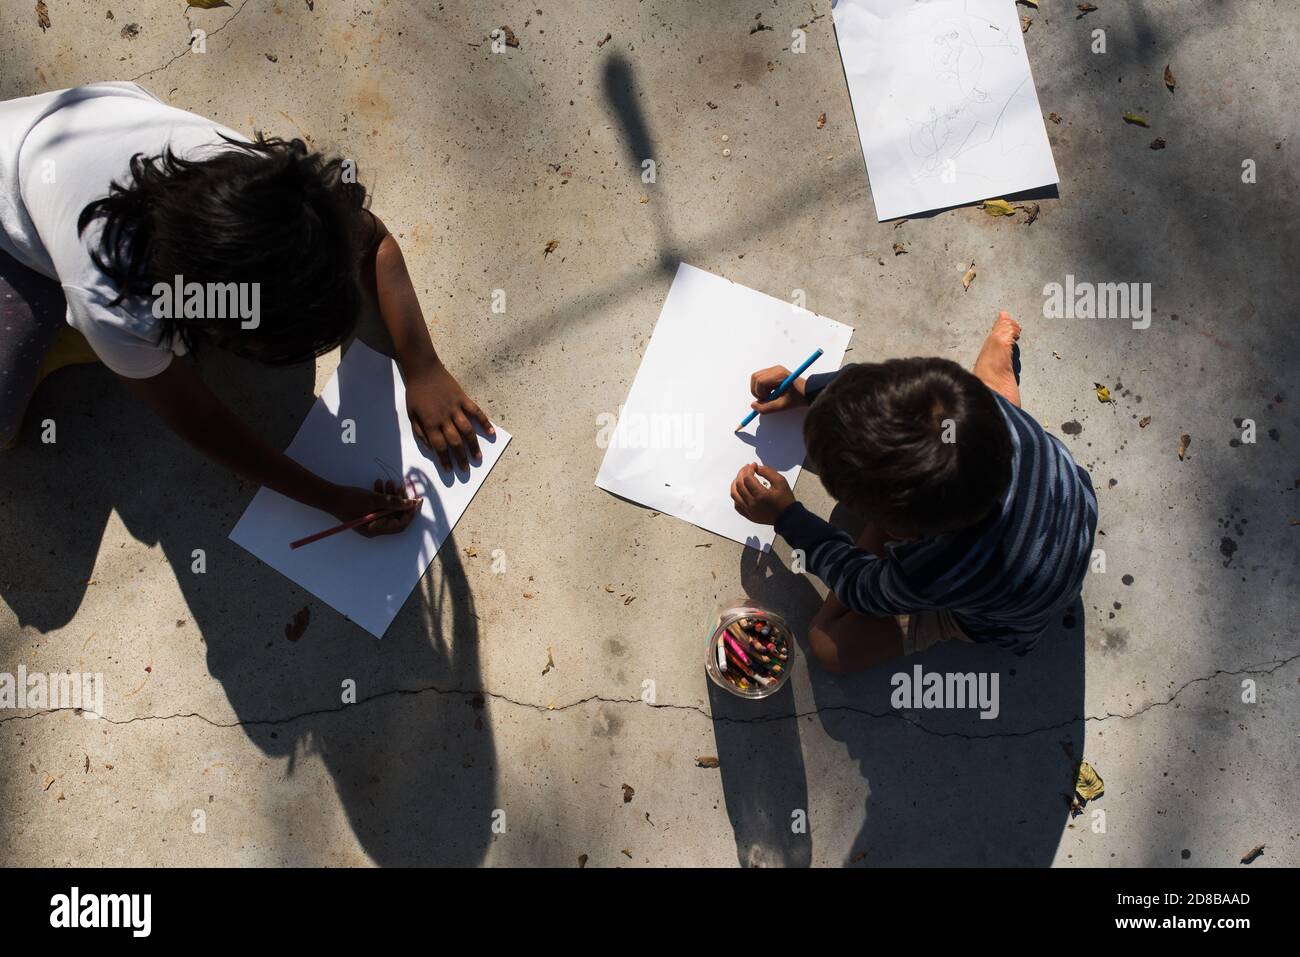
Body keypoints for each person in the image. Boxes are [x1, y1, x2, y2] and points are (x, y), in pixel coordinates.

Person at [1, 82, 492, 535]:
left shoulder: (263, 193)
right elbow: (200, 420)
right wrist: (326, 498)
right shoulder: (115, 306)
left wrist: (423, 366)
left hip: (65, 142)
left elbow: (374, 241)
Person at [729, 312, 1097, 671]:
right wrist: (805, 388)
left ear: (904, 532)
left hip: (1008, 615)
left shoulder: (931, 572)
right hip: (1062, 500)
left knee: (828, 644)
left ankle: (990, 377)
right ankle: (994, 374)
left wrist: (788, 518)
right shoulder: (982, 412)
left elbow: (861, 589)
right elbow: (883, 390)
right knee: (964, 406)